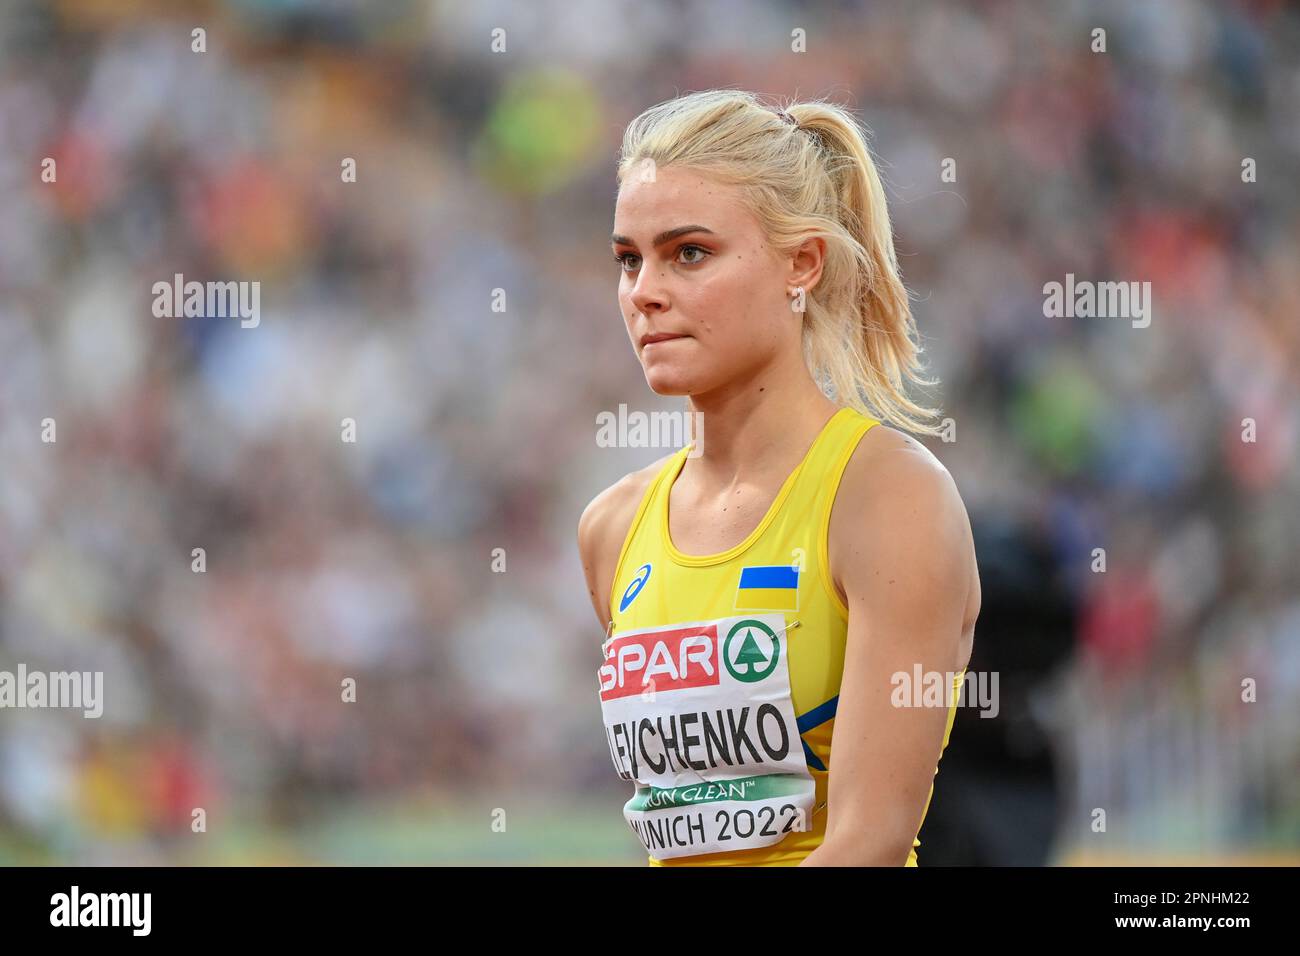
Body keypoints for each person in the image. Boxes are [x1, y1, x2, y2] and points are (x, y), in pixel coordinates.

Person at [578, 90, 980, 866]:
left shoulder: (889, 496)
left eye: (688, 252)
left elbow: (868, 842)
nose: (644, 292)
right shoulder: (612, 527)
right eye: (629, 259)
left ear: (802, 263)